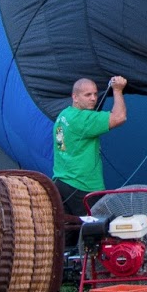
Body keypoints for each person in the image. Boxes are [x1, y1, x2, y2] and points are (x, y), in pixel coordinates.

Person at [52, 75, 127, 217]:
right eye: (87, 95)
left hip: (61, 183)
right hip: (82, 186)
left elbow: (62, 145)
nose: (93, 98)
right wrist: (117, 90)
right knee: (95, 231)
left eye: (95, 94)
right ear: (75, 97)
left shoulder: (64, 115)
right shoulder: (83, 120)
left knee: (70, 232)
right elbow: (119, 117)